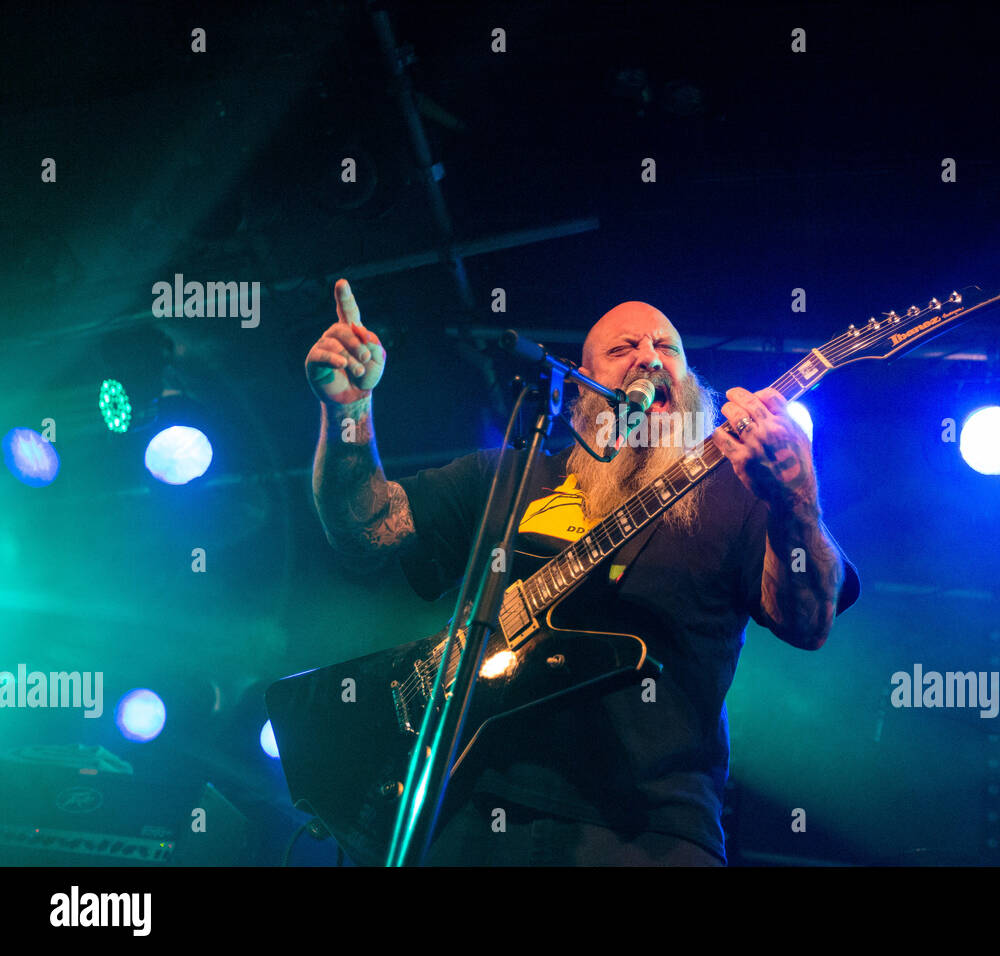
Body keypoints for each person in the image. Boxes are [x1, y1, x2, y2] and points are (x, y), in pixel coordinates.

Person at [306, 278, 859, 865]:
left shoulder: (744, 494)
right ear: (582, 386)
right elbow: (365, 527)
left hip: (650, 832)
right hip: (468, 810)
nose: (649, 357)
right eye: (623, 350)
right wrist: (349, 413)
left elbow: (807, 622)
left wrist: (796, 500)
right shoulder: (510, 477)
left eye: (667, 348)